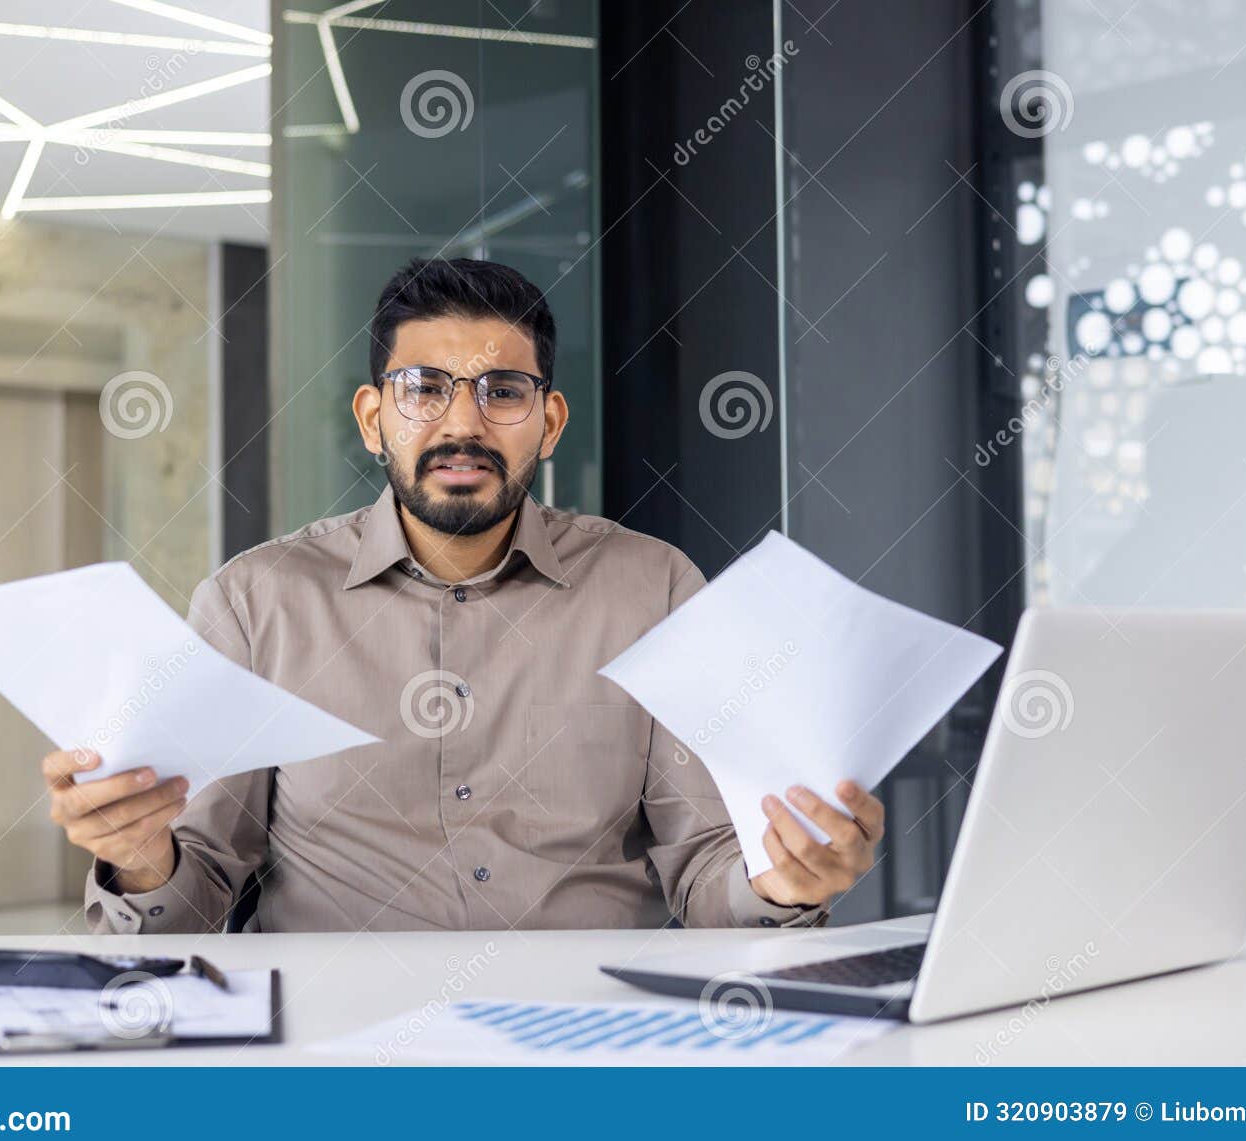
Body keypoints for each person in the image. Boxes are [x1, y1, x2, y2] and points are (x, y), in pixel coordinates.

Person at [43, 257, 884, 933]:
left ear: (549, 422)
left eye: (502, 392)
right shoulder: (255, 602)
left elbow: (707, 863)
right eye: (424, 388)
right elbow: (188, 904)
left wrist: (780, 883)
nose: (463, 424)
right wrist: (141, 858)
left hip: (585, 1051)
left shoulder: (654, 588)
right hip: (335, 1059)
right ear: (374, 418)